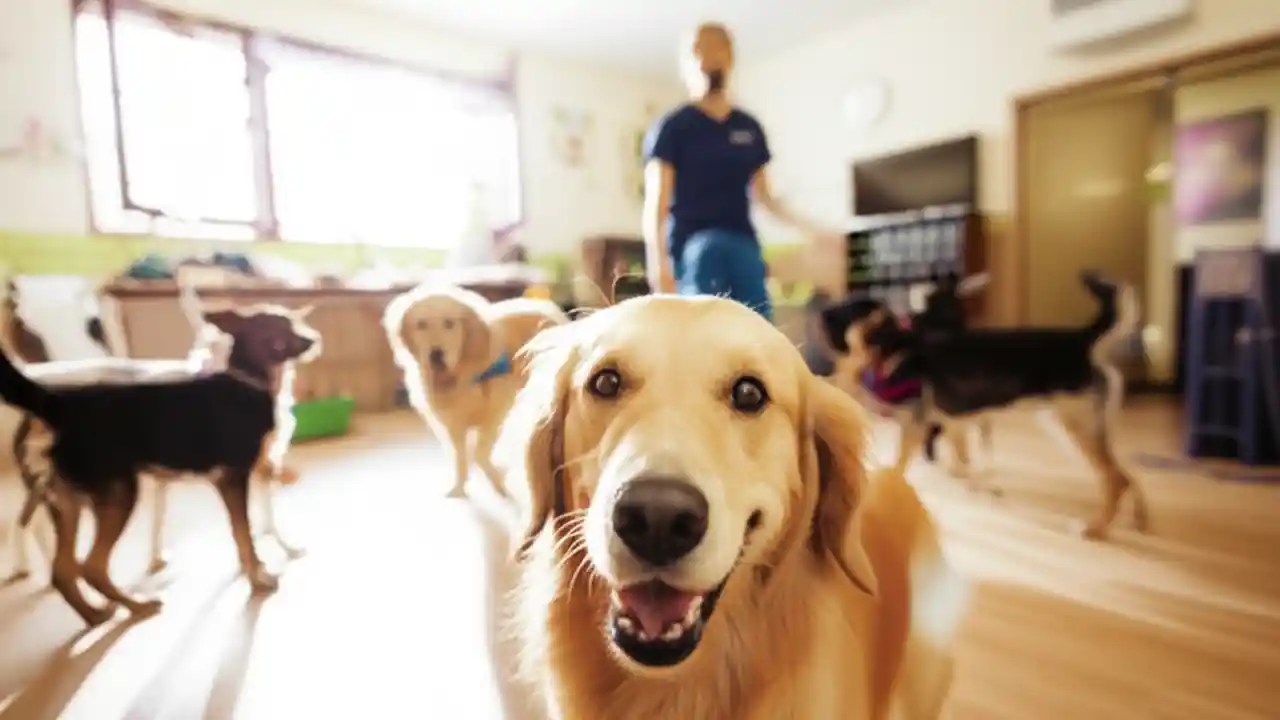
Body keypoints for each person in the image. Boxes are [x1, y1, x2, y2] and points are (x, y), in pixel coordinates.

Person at [642, 22, 839, 321]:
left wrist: (816, 230)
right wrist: (658, 266)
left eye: (715, 47)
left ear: (730, 56)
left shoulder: (748, 127)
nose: (707, 56)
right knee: (707, 313)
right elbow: (656, 204)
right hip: (694, 248)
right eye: (698, 49)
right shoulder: (672, 127)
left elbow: (766, 198)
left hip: (743, 245)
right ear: (686, 64)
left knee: (757, 322)